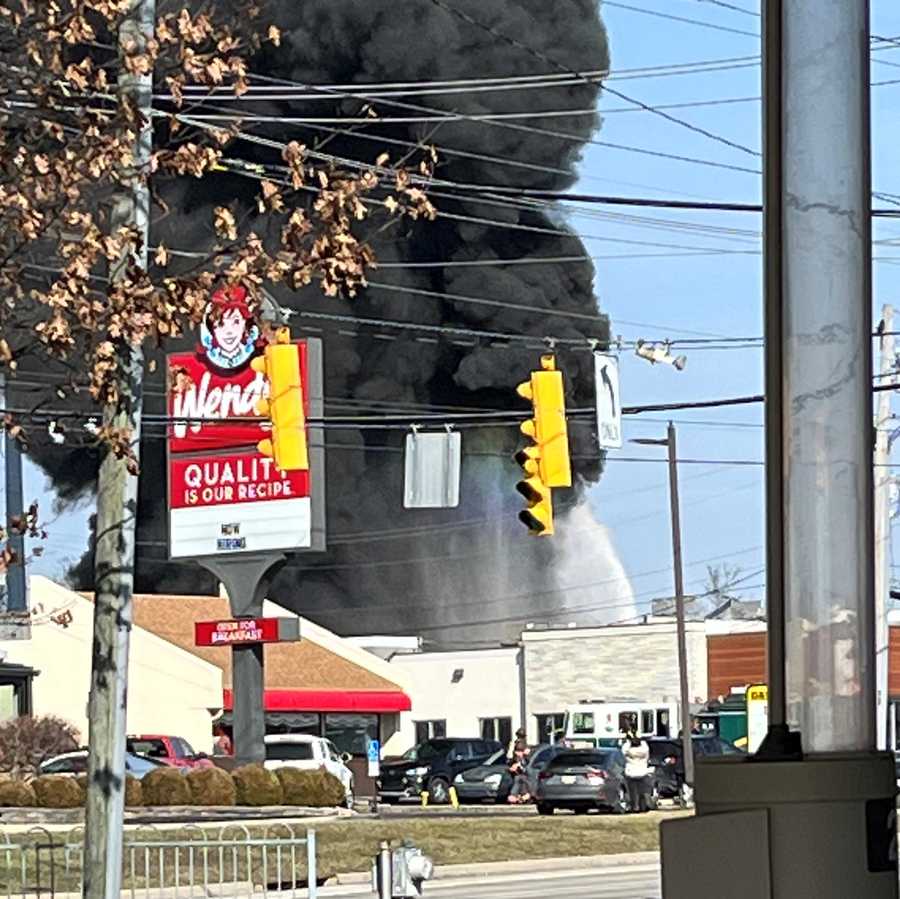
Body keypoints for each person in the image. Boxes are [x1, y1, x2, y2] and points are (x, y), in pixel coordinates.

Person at [622, 732, 651, 813]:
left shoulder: (628, 750)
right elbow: (647, 753)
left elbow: (623, 751)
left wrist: (628, 741)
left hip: (631, 772)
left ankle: (635, 807)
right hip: (642, 772)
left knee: (632, 792)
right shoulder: (644, 749)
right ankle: (643, 807)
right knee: (642, 791)